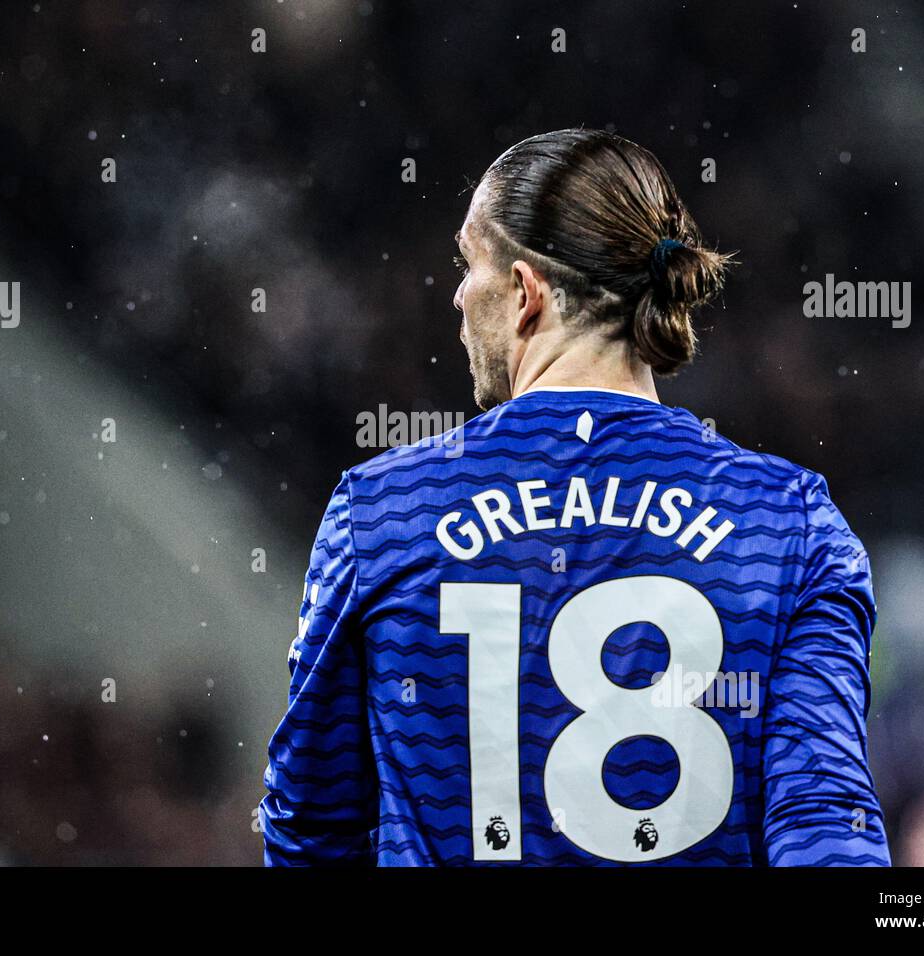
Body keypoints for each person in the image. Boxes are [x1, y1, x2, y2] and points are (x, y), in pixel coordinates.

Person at [260, 128, 889, 866]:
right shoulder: (789, 526)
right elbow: (825, 826)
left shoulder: (382, 514)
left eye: (468, 264)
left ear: (525, 294)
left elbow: (310, 825)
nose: (459, 295)